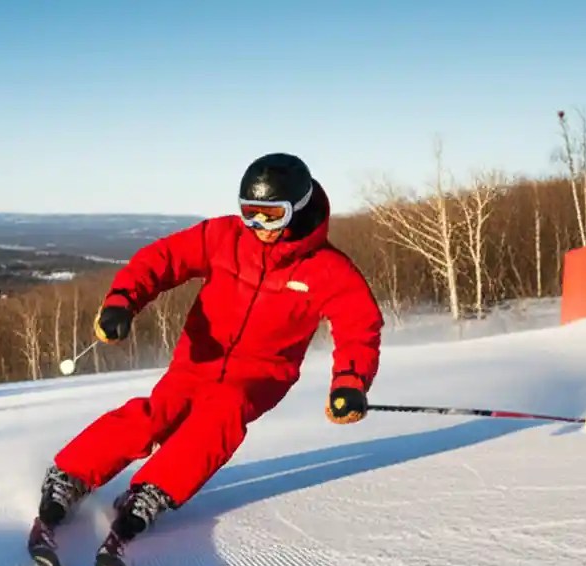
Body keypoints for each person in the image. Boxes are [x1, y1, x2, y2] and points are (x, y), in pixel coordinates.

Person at [38, 152, 384, 542]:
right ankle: (69, 475)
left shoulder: (328, 269)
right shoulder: (225, 238)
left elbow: (359, 325)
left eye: (272, 215)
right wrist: (122, 300)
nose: (259, 225)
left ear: (298, 207)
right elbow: (162, 259)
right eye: (250, 212)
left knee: (221, 417)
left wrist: (350, 382)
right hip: (197, 361)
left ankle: (151, 492)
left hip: (259, 376)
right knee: (157, 414)